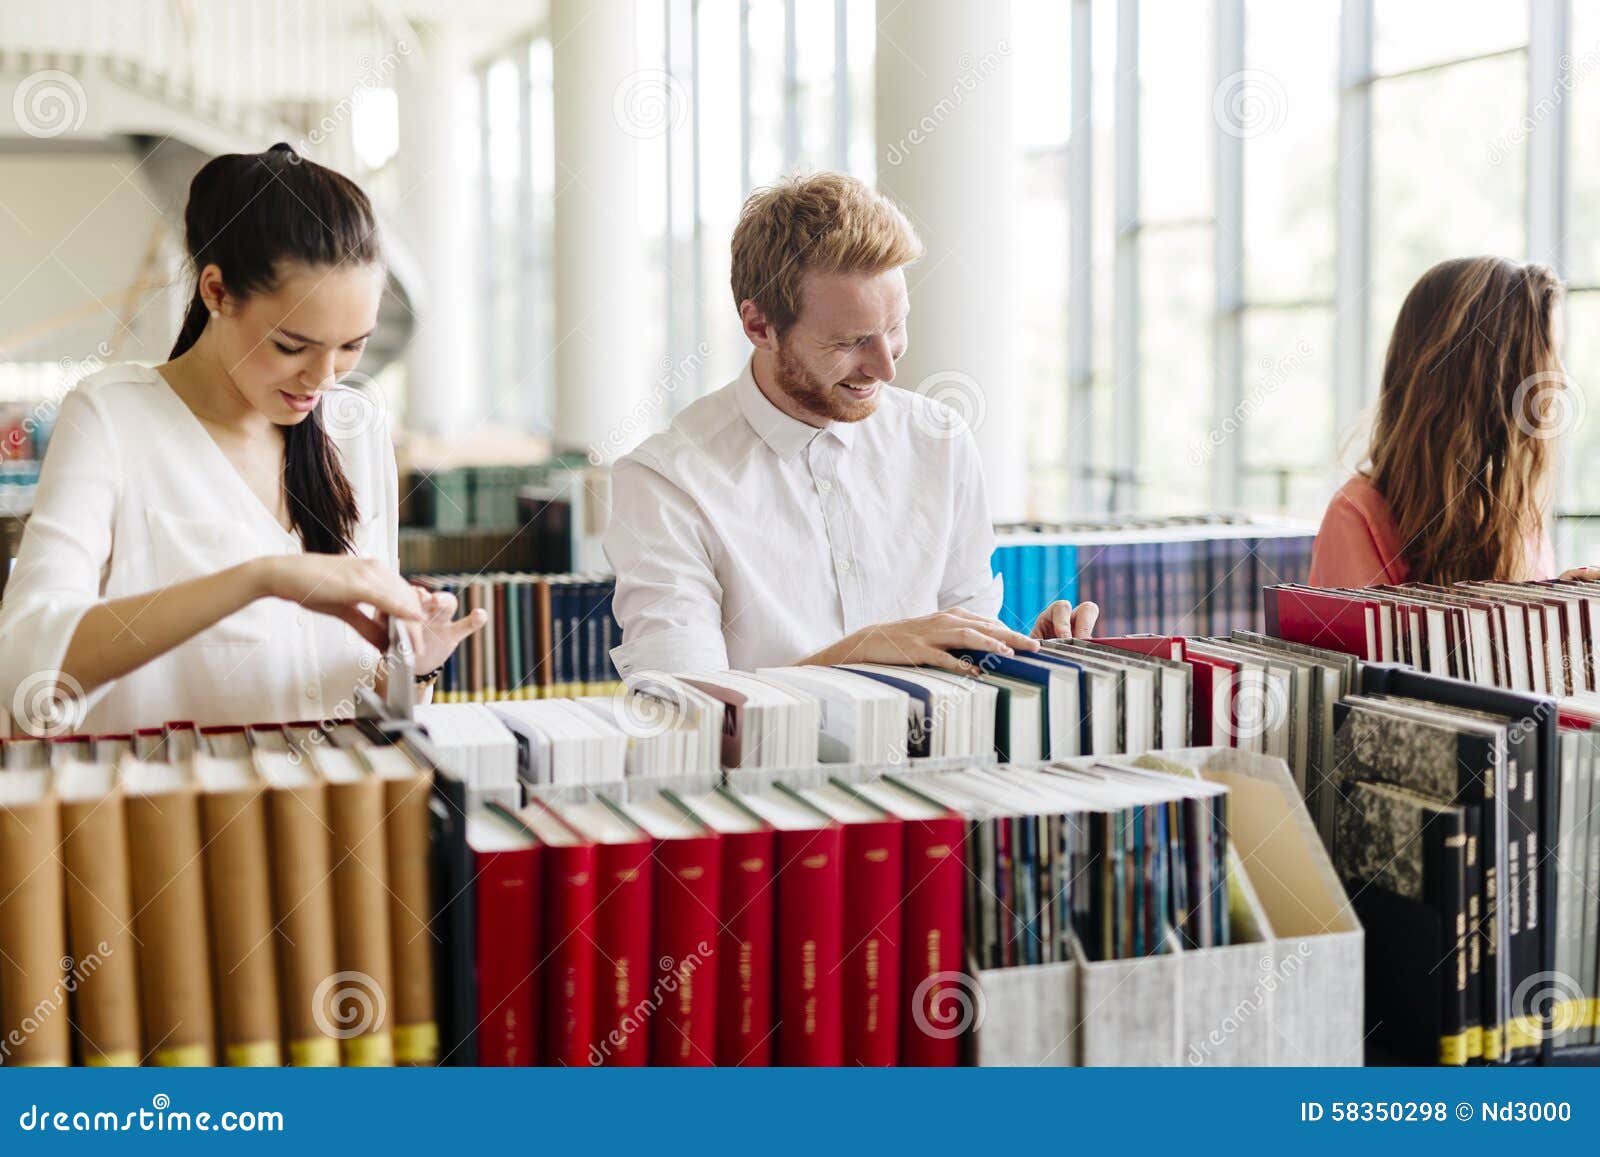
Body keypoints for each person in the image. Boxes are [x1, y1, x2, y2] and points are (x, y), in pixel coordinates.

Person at [0, 144, 486, 736]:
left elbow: (352, 697)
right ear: (216, 292)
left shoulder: (356, 429)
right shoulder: (110, 418)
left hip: (334, 814)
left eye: (352, 345)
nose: (324, 378)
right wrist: (260, 579)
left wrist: (414, 665)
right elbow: (26, 667)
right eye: (292, 346)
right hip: (171, 815)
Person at [604, 172, 1097, 675]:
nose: (887, 368)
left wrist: (1022, 659)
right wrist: (860, 654)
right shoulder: (664, 482)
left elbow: (963, 653)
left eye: (895, 327)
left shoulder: (940, 439)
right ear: (759, 326)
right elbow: (688, 712)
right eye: (849, 342)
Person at [1311, 255, 1596, 588]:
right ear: (1487, 375)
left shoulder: (1514, 507)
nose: (1561, 378)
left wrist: (1559, 606)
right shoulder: (1357, 517)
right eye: (1546, 352)